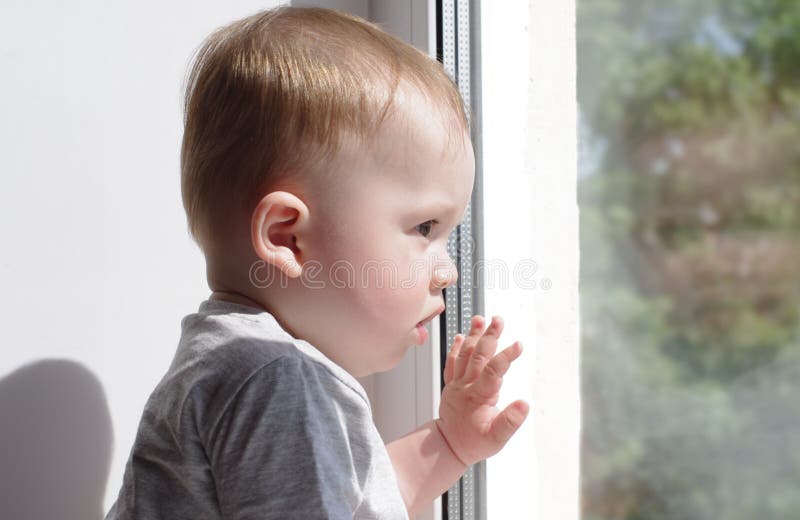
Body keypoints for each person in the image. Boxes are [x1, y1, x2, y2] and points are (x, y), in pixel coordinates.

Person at [106, 6, 529, 519]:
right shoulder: (278, 379)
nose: (449, 272)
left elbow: (350, 503)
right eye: (424, 229)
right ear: (288, 237)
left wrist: (449, 443)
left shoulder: (232, 356)